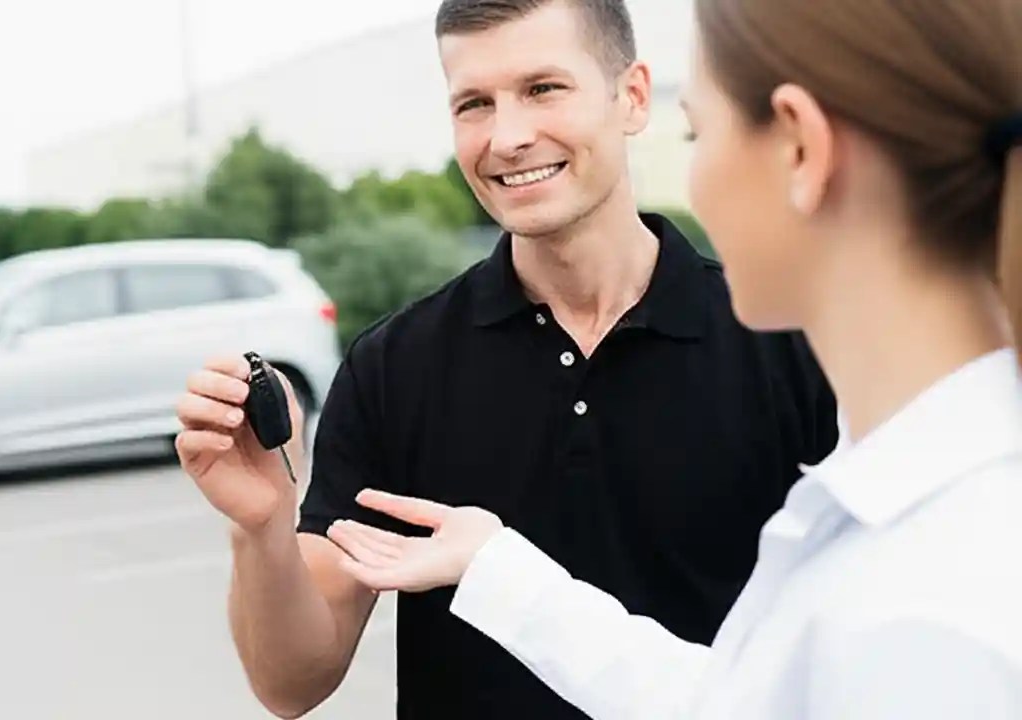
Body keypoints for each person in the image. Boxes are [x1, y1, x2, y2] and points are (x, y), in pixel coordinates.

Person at [327, 0, 1022, 717]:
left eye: (697, 133)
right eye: (474, 103)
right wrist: (495, 566)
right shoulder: (933, 497)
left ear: (802, 150)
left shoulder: (937, 590)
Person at [173, 0, 838, 717]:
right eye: (474, 104)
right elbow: (292, 682)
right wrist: (263, 529)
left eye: (542, 89)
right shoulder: (395, 367)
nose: (508, 137)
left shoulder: (786, 337)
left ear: (633, 97)